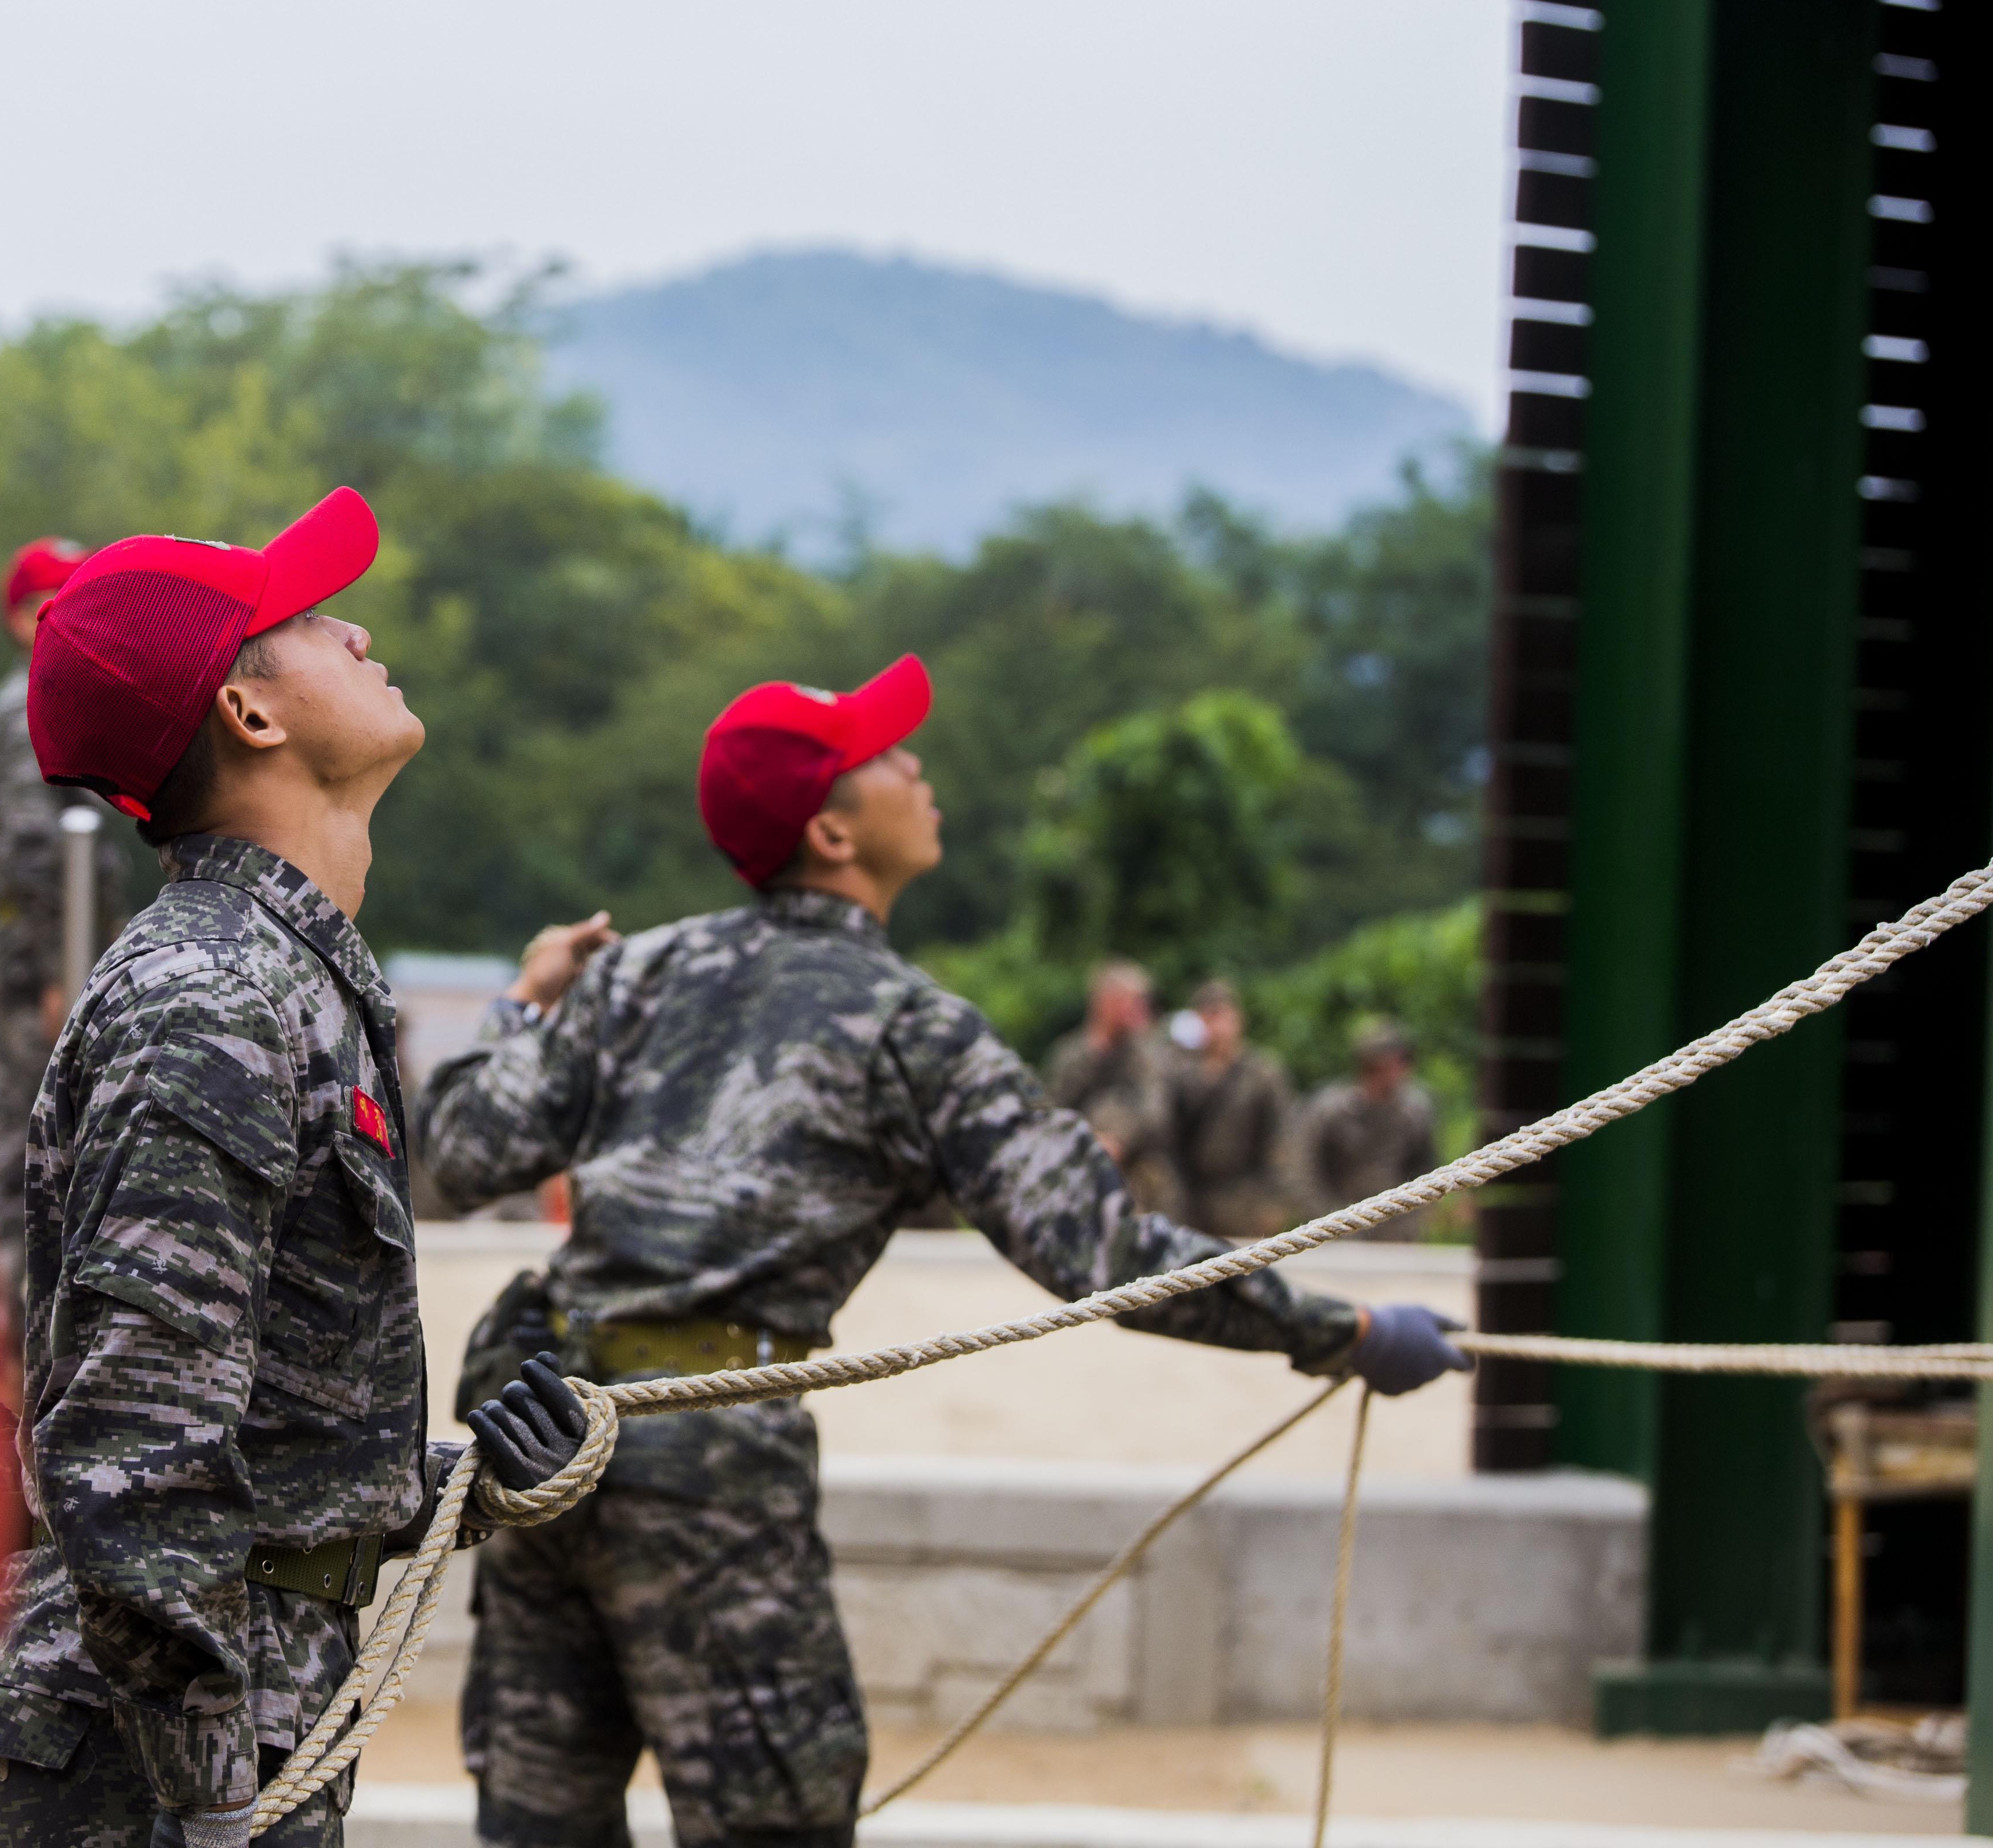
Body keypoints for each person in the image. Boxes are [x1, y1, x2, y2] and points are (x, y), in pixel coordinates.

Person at [422, 656, 1467, 1848]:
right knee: (778, 1826)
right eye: (888, 757)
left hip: (542, 1430)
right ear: (832, 832)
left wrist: (523, 1004)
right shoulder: (912, 1028)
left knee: (538, 1829)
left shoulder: (638, 974)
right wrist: (1346, 1332)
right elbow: (1107, 1249)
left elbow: (460, 1151)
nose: (918, 768)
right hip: (705, 1457)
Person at [0, 488, 588, 1848]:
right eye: (305, 619)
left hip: (219, 1708)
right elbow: (136, 1439)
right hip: (150, 1756)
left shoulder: (281, 978)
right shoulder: (212, 996)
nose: (355, 626)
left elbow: (242, 1434)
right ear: (252, 714)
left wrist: (455, 1478)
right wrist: (214, 1793)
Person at [0, 536, 134, 1346]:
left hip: (55, 948)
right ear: (17, 618)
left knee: (35, 1138)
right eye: (49, 605)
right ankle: (9, 1342)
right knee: (32, 1144)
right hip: (42, 957)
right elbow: (36, 854)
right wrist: (59, 969)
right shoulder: (27, 703)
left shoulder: (53, 697)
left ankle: (22, 1330)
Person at [1163, 978, 1304, 1239]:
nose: (1216, 1027)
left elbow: (1281, 1141)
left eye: (1220, 1015)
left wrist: (1276, 1204)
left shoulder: (1262, 1073)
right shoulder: (1179, 1072)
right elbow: (1164, 1131)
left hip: (1245, 1200)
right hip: (1192, 1201)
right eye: (1207, 1017)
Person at [1042, 958, 1182, 1219]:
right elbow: (1052, 1114)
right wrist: (1091, 1139)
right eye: (1132, 1002)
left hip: (1136, 1165)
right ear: (1106, 1002)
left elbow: (1156, 1113)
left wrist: (1119, 1138)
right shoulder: (1071, 1055)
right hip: (1080, 1159)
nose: (1140, 1011)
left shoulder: (1146, 1055)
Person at [1297, 1021, 1440, 1241]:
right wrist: (1326, 1217)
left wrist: (1412, 1219)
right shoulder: (1332, 1109)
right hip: (1338, 1221)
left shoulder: (1415, 1110)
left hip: (1396, 1226)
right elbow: (1306, 1168)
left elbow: (1426, 1166)